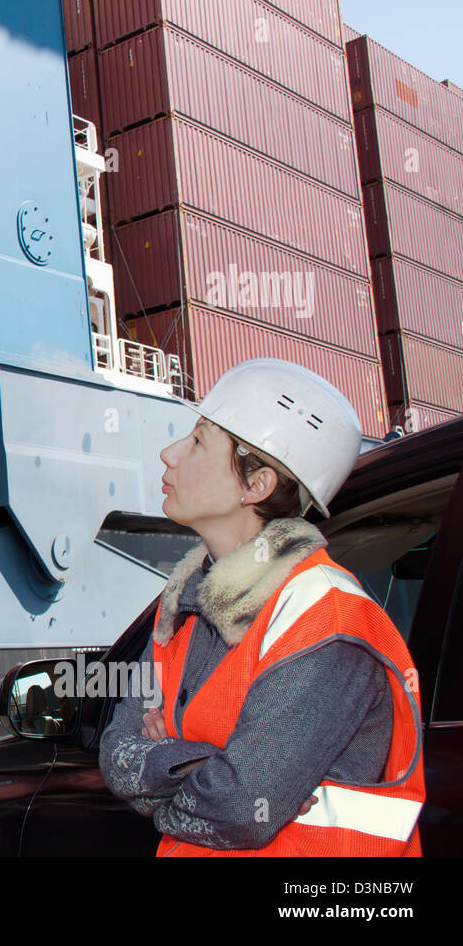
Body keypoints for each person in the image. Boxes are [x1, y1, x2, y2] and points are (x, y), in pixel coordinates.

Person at [98, 358, 425, 855]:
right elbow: (117, 755)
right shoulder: (184, 609)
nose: (168, 454)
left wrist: (164, 762)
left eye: (198, 442)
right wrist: (209, 767)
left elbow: (241, 809)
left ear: (257, 485)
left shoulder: (329, 620)